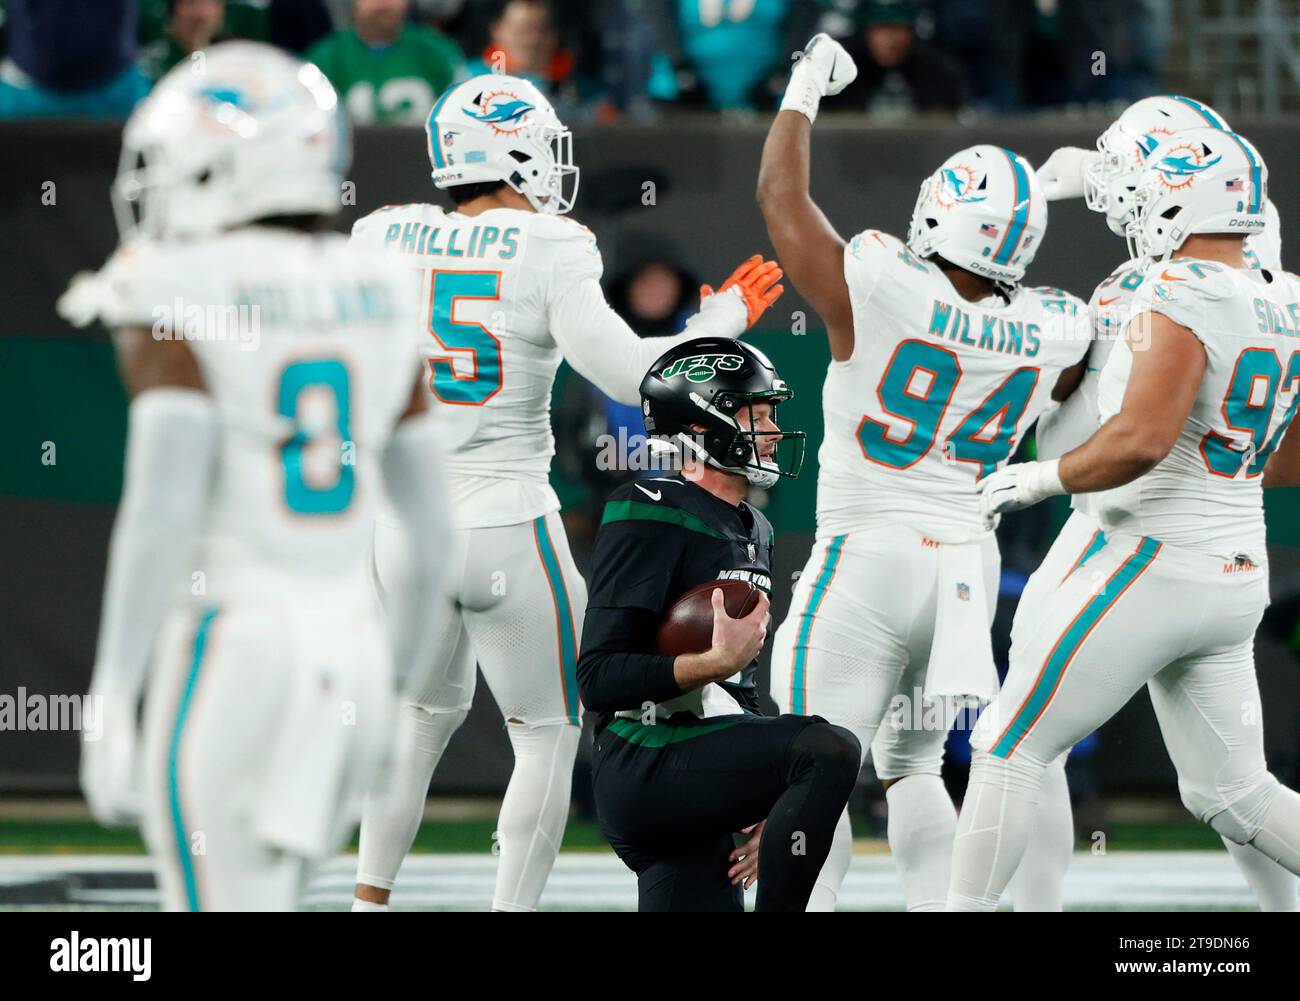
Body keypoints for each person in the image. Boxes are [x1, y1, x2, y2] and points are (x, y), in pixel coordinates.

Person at [347, 73, 785, 912]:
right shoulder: (551, 247)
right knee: (543, 734)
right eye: (542, 144)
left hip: (402, 525)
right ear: (511, 152)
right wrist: (719, 320)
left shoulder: (382, 234)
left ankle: (368, 904)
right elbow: (633, 374)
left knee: (411, 721)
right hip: (508, 517)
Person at [59, 42, 450, 911]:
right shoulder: (381, 287)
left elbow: (162, 509)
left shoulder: (176, 281)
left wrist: (113, 693)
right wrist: (395, 685)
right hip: (350, 653)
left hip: (235, 651)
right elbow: (431, 534)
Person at [757, 33, 1091, 911]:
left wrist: (803, 90)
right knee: (913, 770)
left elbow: (780, 201)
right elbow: (1067, 376)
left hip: (866, 554)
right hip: (964, 573)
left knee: (806, 769)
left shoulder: (884, 282)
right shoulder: (1058, 324)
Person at [953, 128, 1300, 910]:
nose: (1140, 206)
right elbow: (1288, 462)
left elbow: (1141, 439)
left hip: (1154, 555)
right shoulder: (1288, 298)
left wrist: (1042, 478)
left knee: (1007, 742)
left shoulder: (1182, 291)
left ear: (1189, 200)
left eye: (1152, 191)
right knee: (1236, 794)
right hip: (1236, 566)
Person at [577, 337, 860, 911]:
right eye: (757, 414)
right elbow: (599, 678)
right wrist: (707, 664)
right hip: (643, 754)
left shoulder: (754, 524)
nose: (775, 431)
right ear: (701, 425)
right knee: (828, 748)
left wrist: (764, 795)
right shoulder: (649, 504)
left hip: (691, 770)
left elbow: (739, 690)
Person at [308, 0, 464, 125]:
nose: (384, 4)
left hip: (420, 160)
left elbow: (460, 115)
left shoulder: (438, 52)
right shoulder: (326, 57)